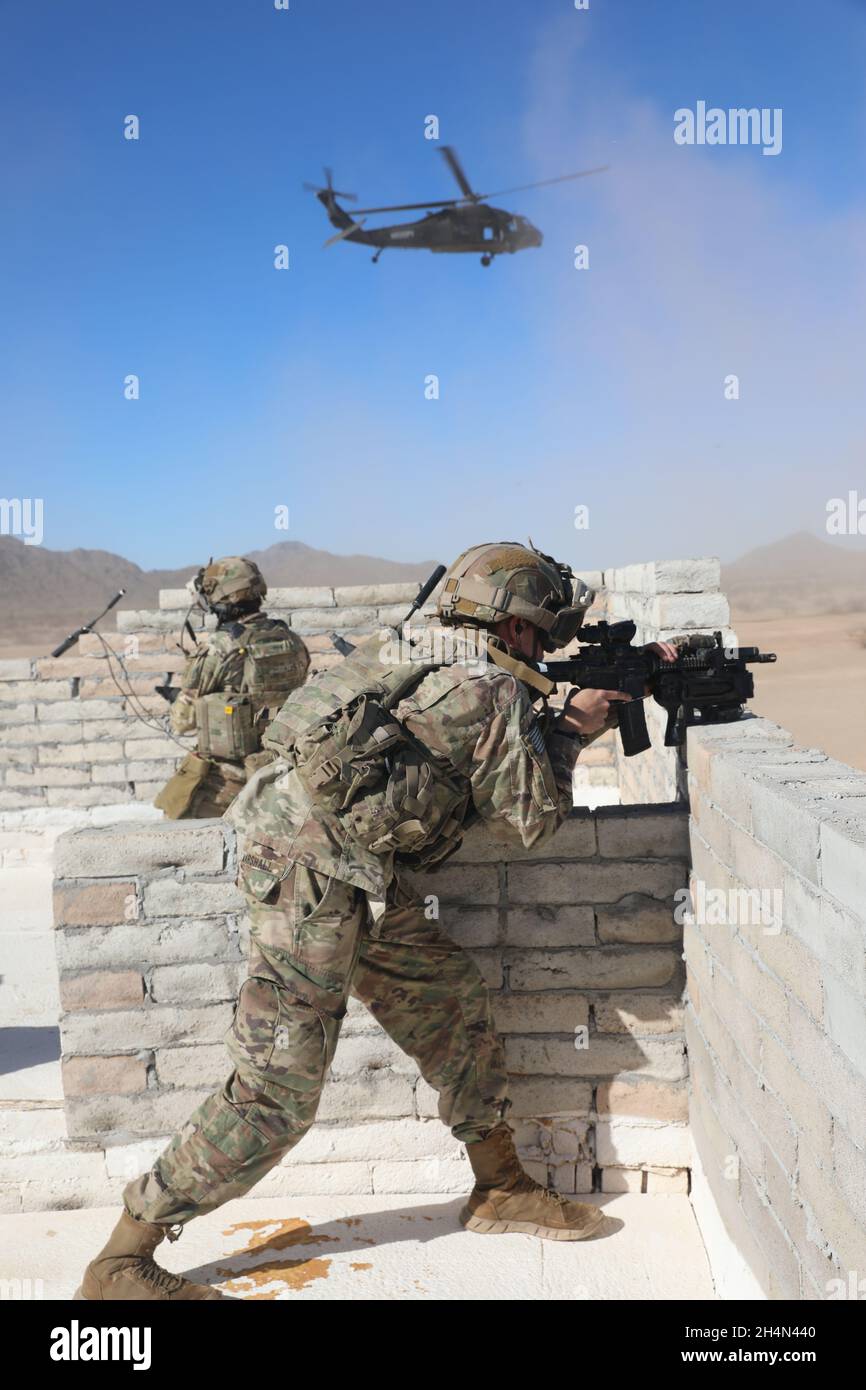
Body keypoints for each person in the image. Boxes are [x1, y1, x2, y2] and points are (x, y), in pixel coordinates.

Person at [75, 540, 677, 1301]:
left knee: (451, 1005)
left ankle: (499, 1188)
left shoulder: (406, 648)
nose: (547, 643)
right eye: (544, 629)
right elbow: (531, 824)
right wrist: (572, 730)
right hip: (312, 880)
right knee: (278, 1090)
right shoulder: (489, 689)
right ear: (519, 624)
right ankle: (123, 1258)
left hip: (351, 872)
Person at [153, 556, 310, 820]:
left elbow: (182, 722)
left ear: (221, 597)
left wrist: (179, 699)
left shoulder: (219, 647)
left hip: (229, 783)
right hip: (285, 773)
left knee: (175, 827)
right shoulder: (291, 640)